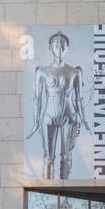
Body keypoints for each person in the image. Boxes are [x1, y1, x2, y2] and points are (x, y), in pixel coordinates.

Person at [27, 32, 89, 179]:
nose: (59, 49)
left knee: (66, 156)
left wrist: (84, 120)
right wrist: (36, 123)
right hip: (49, 117)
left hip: (69, 116)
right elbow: (37, 99)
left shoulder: (74, 72)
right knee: (48, 156)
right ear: (50, 47)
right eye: (56, 45)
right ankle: (48, 185)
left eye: (62, 45)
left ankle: (65, 187)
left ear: (67, 47)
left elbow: (79, 98)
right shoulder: (42, 72)